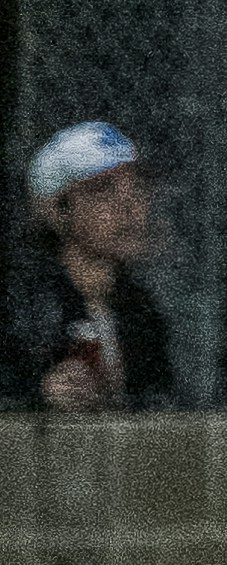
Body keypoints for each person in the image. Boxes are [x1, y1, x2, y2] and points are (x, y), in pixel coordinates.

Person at [13, 124, 178, 412]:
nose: (128, 206)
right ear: (58, 211)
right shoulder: (20, 310)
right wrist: (39, 395)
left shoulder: (141, 312)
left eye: (137, 187)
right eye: (102, 190)